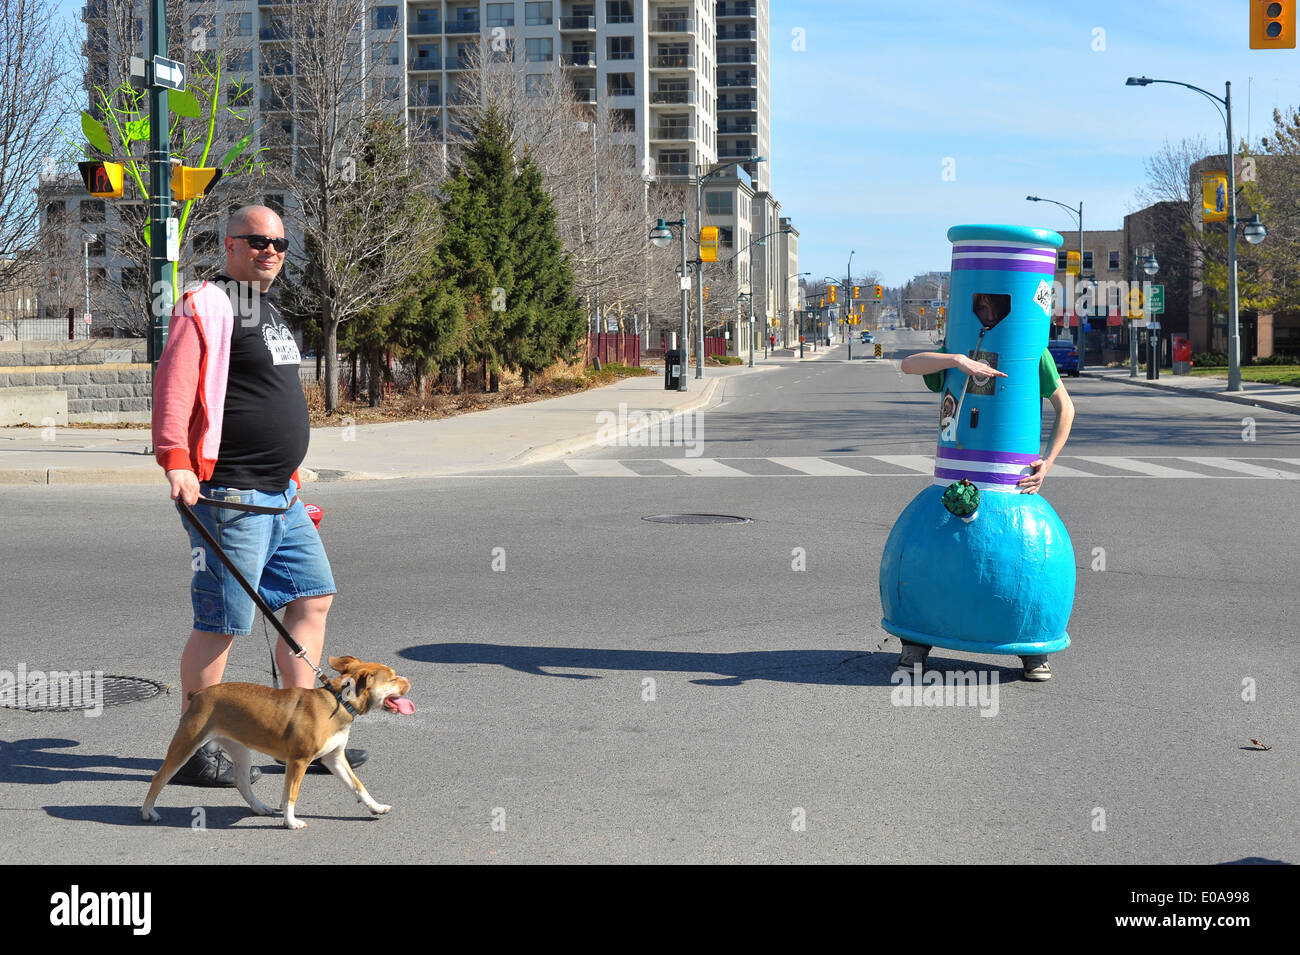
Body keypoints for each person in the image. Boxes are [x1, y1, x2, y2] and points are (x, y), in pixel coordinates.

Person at [152, 205, 358, 784]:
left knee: (312, 599)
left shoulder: (268, 310)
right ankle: (196, 747)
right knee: (223, 622)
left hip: (281, 494)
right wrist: (177, 461)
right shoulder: (208, 304)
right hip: (229, 494)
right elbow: (174, 385)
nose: (270, 249)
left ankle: (302, 734)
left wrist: (290, 467)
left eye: (280, 242)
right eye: (257, 240)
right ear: (230, 246)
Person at [896, 293, 1075, 681]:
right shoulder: (954, 347)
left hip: (1010, 484)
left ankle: (1032, 648)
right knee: (933, 560)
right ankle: (916, 640)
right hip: (954, 476)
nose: (987, 314)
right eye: (979, 306)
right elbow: (908, 365)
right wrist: (956, 361)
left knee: (1027, 564)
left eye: (993, 306)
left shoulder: (1033, 352)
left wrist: (1048, 462)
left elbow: (1066, 407)